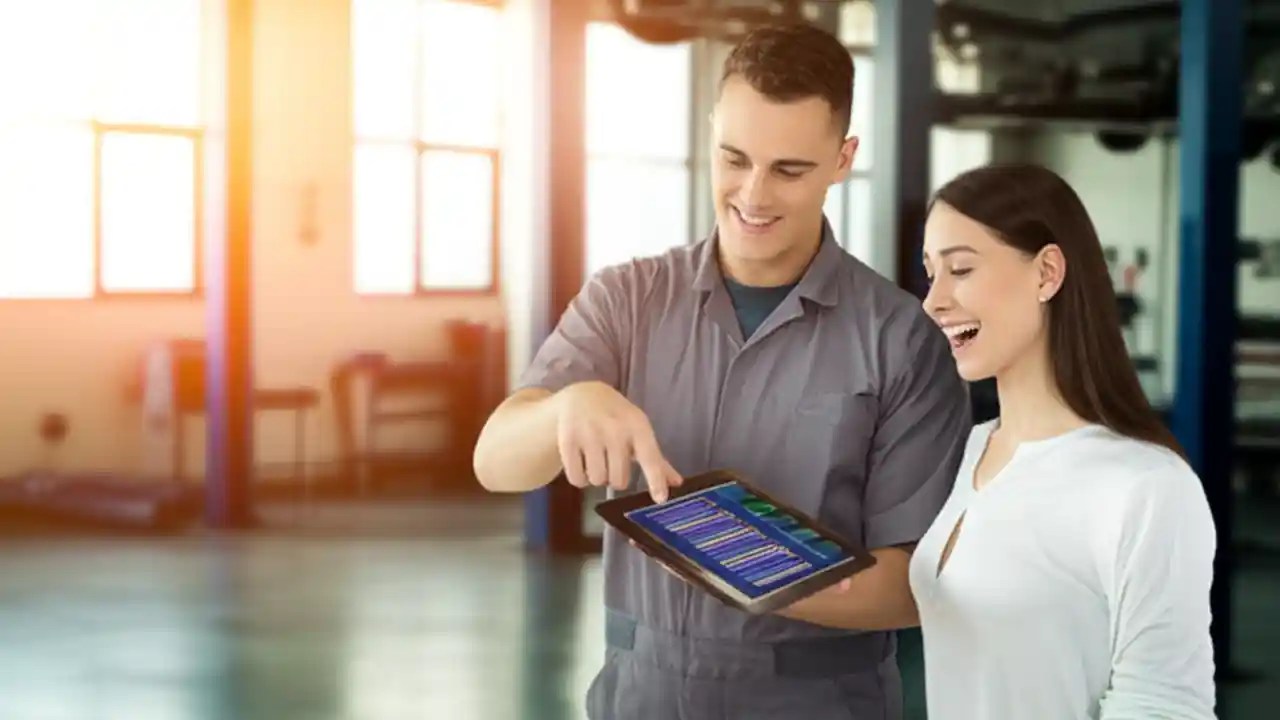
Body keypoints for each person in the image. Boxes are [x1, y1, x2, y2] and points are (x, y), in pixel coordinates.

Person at [473, 23, 972, 719]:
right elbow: (496, 462)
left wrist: (743, 559)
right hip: (641, 693)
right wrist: (567, 406)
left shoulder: (902, 341)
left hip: (817, 702)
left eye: (789, 170)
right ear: (711, 133)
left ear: (842, 158)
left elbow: (914, 587)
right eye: (733, 158)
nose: (754, 194)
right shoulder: (627, 299)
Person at [909, 163, 1218, 719]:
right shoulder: (980, 449)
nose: (934, 300)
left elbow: (1164, 706)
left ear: (1047, 273)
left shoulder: (1147, 486)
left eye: (960, 269)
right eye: (930, 272)